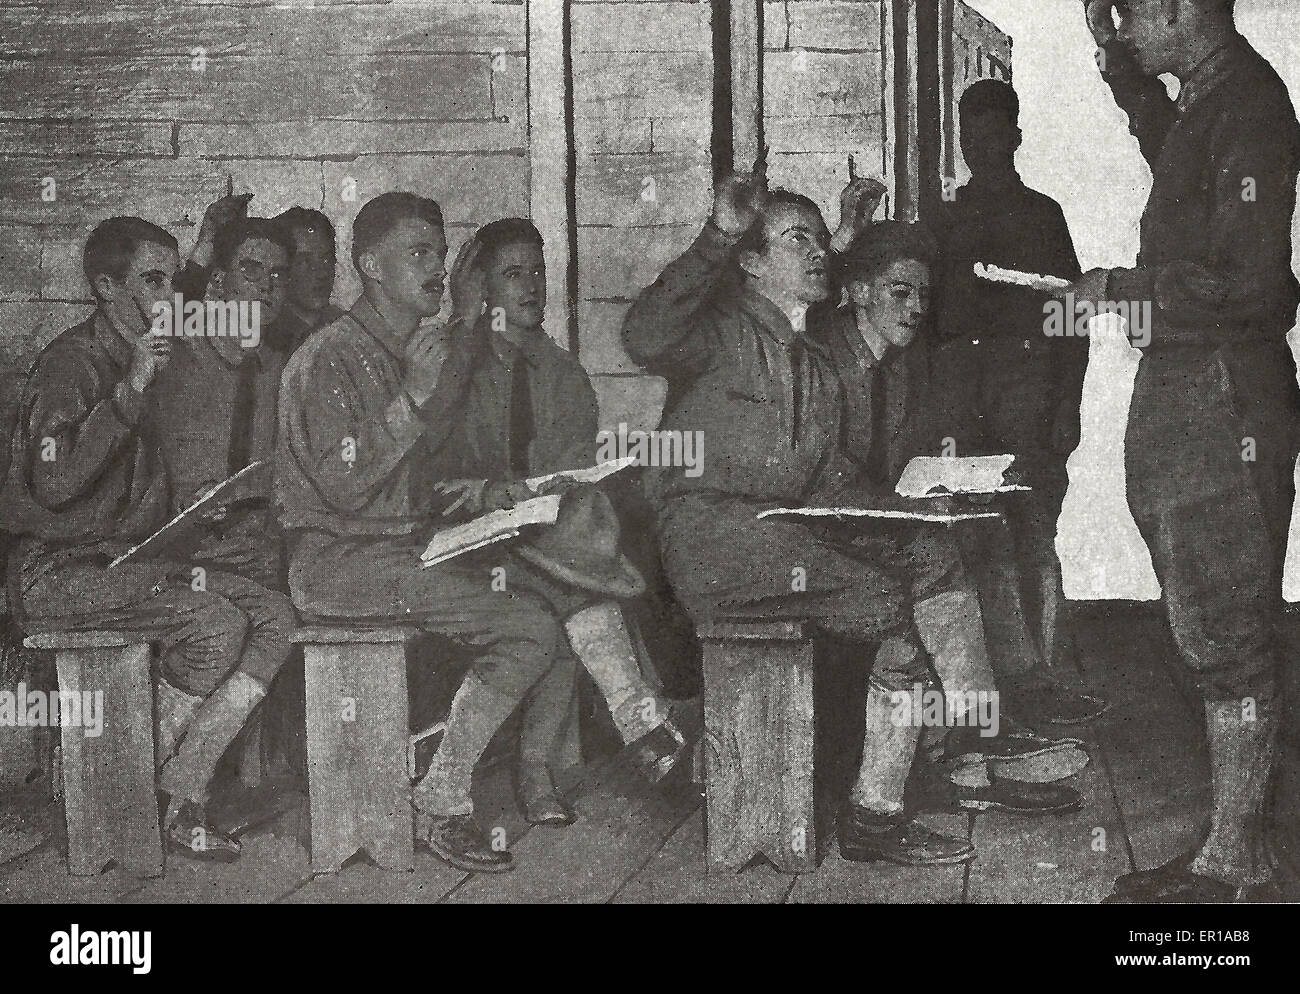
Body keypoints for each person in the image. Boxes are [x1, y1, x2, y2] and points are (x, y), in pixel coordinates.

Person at [623, 173, 1081, 868]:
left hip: (777, 532)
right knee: (889, 606)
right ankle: (890, 803)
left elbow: (831, 476)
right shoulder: (717, 334)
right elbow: (644, 332)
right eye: (794, 239)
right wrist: (717, 232)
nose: (816, 252)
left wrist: (912, 514)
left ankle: (961, 747)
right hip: (712, 539)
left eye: (818, 238)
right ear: (750, 262)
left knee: (927, 557)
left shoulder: (807, 364)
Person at [1078, 0, 1300, 903]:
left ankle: (1240, 859)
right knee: (1207, 624)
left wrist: (1123, 287)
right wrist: (1120, 70)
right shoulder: (1218, 101)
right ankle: (1233, 844)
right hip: (1196, 389)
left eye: (1133, 16)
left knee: (1227, 634)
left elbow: (1254, 285)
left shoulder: (1248, 107)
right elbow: (1177, 155)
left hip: (1221, 394)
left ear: (1179, 10)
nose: (1125, 27)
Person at [275, 192, 567, 874]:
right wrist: (410, 397)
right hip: (336, 564)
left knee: (548, 601)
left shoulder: (413, 346)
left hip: (402, 551)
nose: (435, 267)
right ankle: (440, 799)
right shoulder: (330, 357)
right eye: (417, 254)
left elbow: (424, 469)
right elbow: (341, 485)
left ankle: (437, 777)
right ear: (368, 265)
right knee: (527, 631)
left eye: (439, 252)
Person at [0, 217, 291, 862]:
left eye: (172, 281)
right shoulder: (72, 362)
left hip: (127, 564)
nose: (169, 298)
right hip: (55, 574)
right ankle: (122, 792)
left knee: (272, 617)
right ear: (106, 287)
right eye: (152, 281)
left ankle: (171, 789)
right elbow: (51, 482)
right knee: (214, 625)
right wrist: (130, 392)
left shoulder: (156, 358)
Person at [817, 222, 1092, 791]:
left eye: (923, 294)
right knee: (933, 557)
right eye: (900, 292)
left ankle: (975, 746)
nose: (916, 308)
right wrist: (902, 505)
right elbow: (819, 474)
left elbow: (909, 456)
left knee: (977, 535)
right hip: (816, 530)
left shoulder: (902, 362)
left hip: (870, 518)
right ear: (862, 291)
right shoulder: (823, 355)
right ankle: (977, 738)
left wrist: (950, 483)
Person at [429, 219, 687, 825]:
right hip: (461, 543)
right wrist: (495, 492)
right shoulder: (453, 362)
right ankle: (633, 724)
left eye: (538, 271)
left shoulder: (564, 374)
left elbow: (564, 479)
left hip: (539, 544)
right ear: (482, 285)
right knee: (571, 586)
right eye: (512, 273)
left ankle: (546, 765)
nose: (531, 286)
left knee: (561, 586)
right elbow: (430, 480)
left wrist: (540, 491)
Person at [932, 78, 1105, 727]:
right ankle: (991, 693)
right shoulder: (942, 221)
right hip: (960, 408)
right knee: (973, 542)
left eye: (995, 134)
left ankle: (1048, 683)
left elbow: (1072, 316)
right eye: (971, 136)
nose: (983, 147)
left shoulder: (1043, 217)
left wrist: (1067, 408)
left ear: (1015, 137)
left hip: (1029, 403)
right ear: (963, 141)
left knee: (1034, 537)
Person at [273, 206, 345, 351]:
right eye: (304, 262)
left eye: (326, 259)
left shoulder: (345, 325)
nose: (321, 273)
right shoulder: (266, 334)